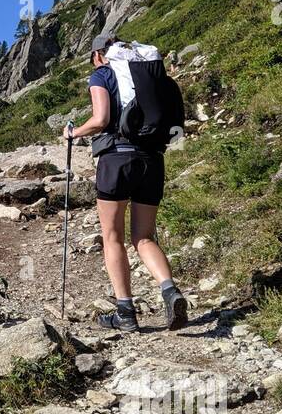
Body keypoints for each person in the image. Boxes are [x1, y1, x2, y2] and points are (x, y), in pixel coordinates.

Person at [63, 32, 188, 331]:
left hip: (117, 160)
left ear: (97, 55)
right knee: (144, 237)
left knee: (112, 237)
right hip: (152, 160)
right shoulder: (151, 76)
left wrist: (73, 133)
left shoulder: (102, 75)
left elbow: (101, 119)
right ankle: (170, 290)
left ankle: (126, 313)